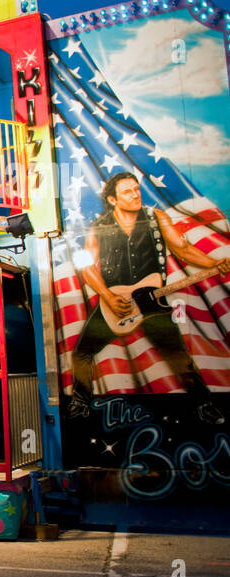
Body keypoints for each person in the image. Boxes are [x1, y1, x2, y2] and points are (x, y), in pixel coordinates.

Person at [69, 172, 230, 424]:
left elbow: (183, 249)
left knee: (178, 356)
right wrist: (109, 298)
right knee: (81, 353)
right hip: (116, 302)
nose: (135, 195)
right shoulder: (99, 227)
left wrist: (214, 262)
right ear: (113, 200)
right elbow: (88, 266)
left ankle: (204, 404)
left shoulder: (157, 218)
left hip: (152, 300)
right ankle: (79, 401)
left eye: (136, 189)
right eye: (127, 192)